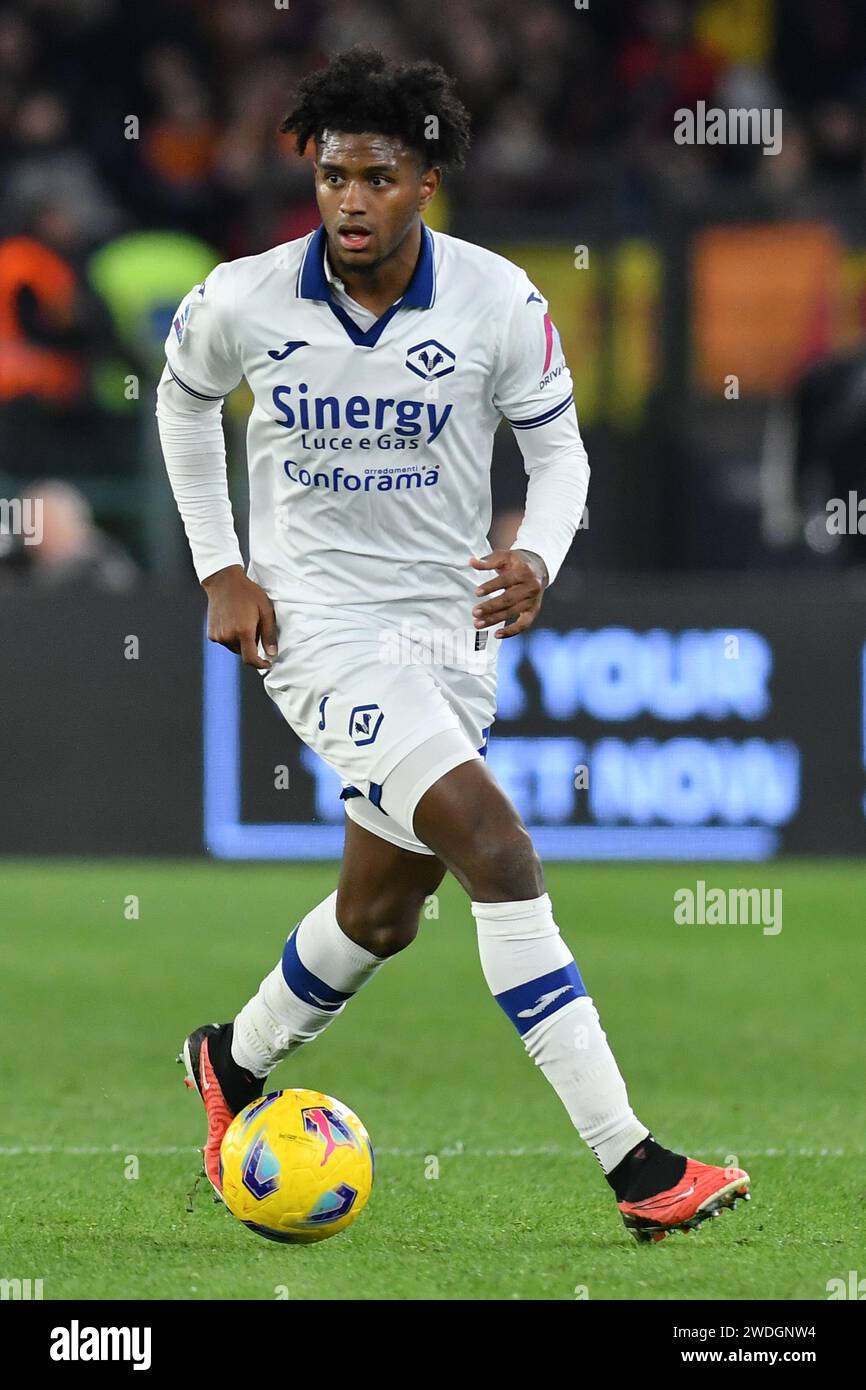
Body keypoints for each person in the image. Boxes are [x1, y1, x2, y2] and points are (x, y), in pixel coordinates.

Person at [156, 46, 749, 1244]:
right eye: (332, 176)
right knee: (497, 847)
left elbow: (558, 452)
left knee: (380, 914)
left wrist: (540, 556)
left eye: (376, 177)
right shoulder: (245, 298)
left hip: (449, 632)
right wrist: (220, 564)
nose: (349, 201)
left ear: (426, 180)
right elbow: (180, 399)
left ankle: (231, 1057)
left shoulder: (497, 302)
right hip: (318, 630)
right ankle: (636, 1165)